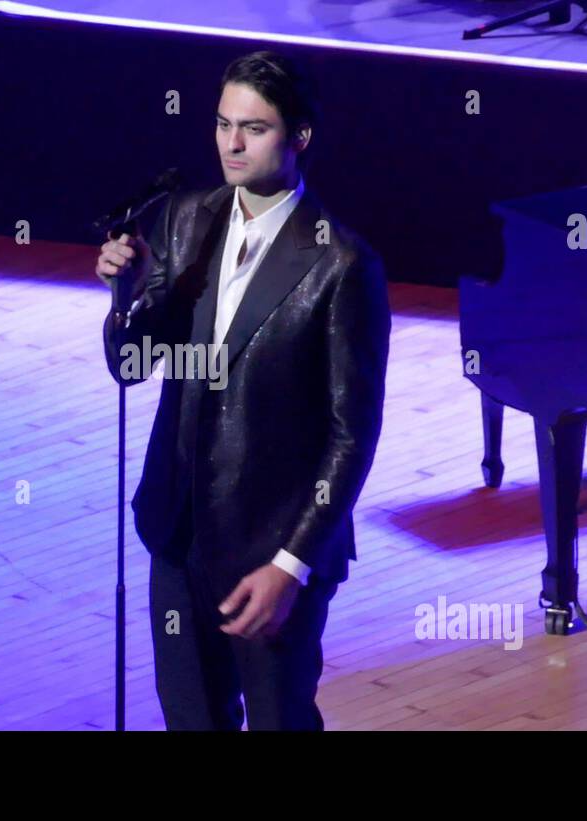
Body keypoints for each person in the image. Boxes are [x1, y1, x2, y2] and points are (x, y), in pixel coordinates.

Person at [96, 51, 390, 731]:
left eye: (253, 128)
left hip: (271, 548)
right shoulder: (182, 218)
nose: (231, 143)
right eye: (223, 124)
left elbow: (354, 434)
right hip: (178, 529)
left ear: (299, 137)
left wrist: (291, 565)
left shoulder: (343, 265)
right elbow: (131, 365)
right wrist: (126, 297)